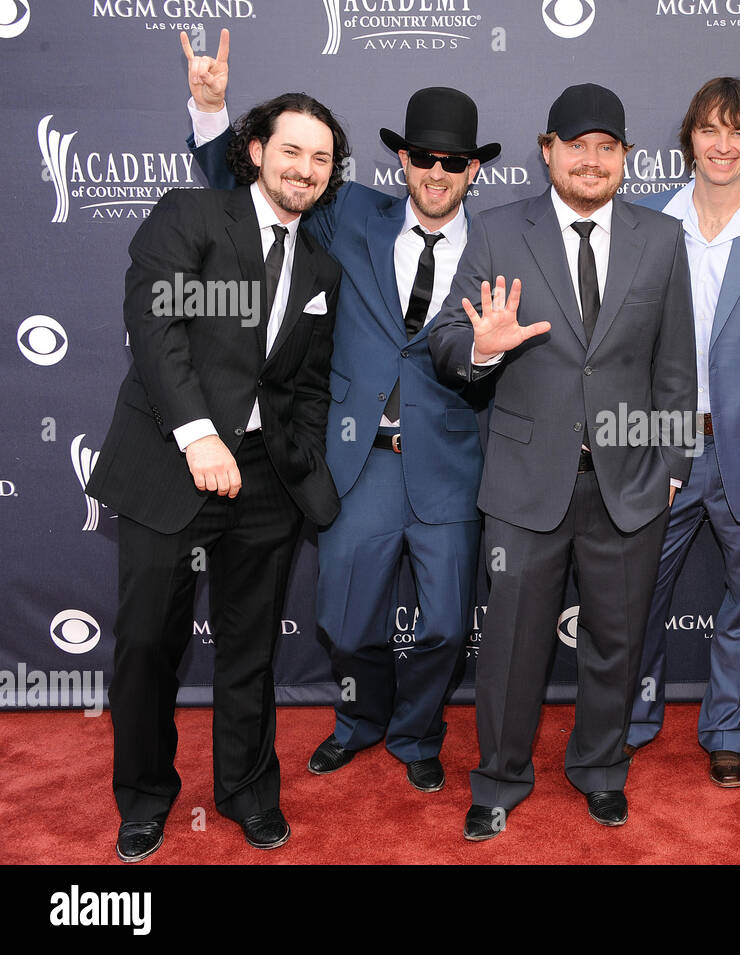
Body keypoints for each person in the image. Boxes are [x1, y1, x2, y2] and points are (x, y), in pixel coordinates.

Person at [183, 31, 495, 794]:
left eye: (454, 161)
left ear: (474, 169)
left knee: (448, 627)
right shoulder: (348, 211)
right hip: (356, 462)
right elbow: (248, 191)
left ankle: (419, 731)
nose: (437, 172)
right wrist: (212, 109)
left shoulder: (504, 243)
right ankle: (359, 721)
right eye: (424, 157)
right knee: (345, 623)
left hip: (451, 464)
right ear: (403, 162)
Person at [429, 83, 695, 840]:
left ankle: (601, 768)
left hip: (630, 483)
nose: (590, 159)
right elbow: (448, 339)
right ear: (546, 151)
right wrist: (484, 344)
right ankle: (499, 778)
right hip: (524, 483)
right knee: (511, 644)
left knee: (617, 641)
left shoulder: (661, 238)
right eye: (575, 144)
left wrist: (673, 461)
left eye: (606, 147)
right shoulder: (498, 231)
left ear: (626, 159)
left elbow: (675, 365)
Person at [87, 90, 346, 862]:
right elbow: (156, 326)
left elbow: (305, 382)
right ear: (256, 150)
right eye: (292, 150)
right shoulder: (193, 217)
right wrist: (199, 435)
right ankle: (143, 797)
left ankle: (246, 790)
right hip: (173, 464)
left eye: (322, 159)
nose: (305, 168)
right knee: (144, 644)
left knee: (251, 648)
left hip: (267, 484)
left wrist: (296, 459)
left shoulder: (322, 266)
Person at [626, 77, 740, 787]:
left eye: (738, 132)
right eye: (710, 129)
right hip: (658, 448)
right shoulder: (642, 221)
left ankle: (729, 730)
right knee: (636, 597)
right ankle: (633, 720)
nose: (723, 144)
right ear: (689, 139)